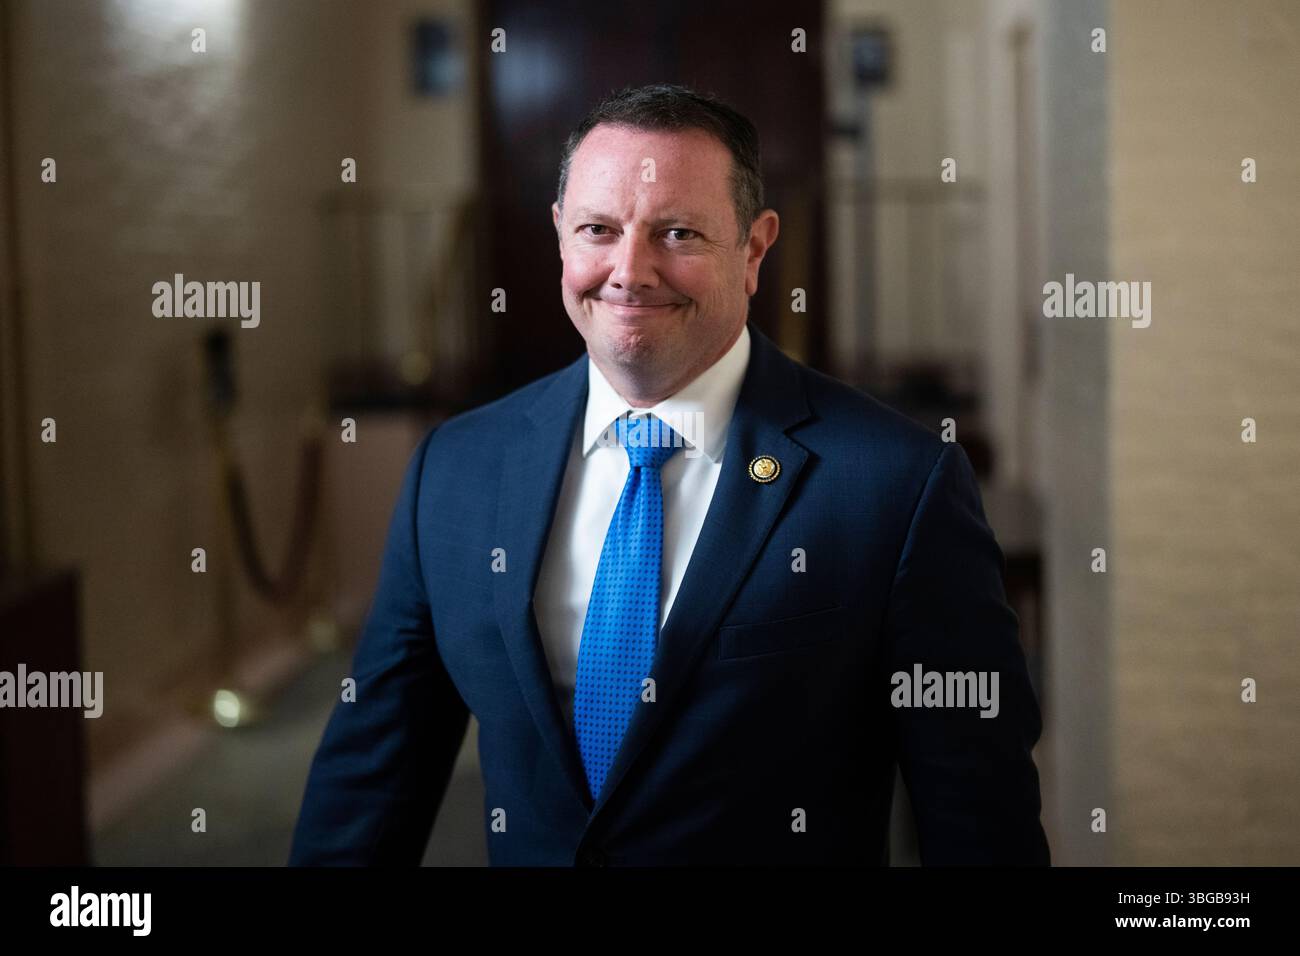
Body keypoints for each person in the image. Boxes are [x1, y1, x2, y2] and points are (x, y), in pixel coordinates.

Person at [289, 83, 1050, 866]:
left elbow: (978, 818)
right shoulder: (455, 470)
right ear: (559, 235)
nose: (629, 271)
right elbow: (372, 778)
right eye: (598, 230)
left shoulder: (895, 486)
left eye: (678, 233)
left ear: (755, 250)